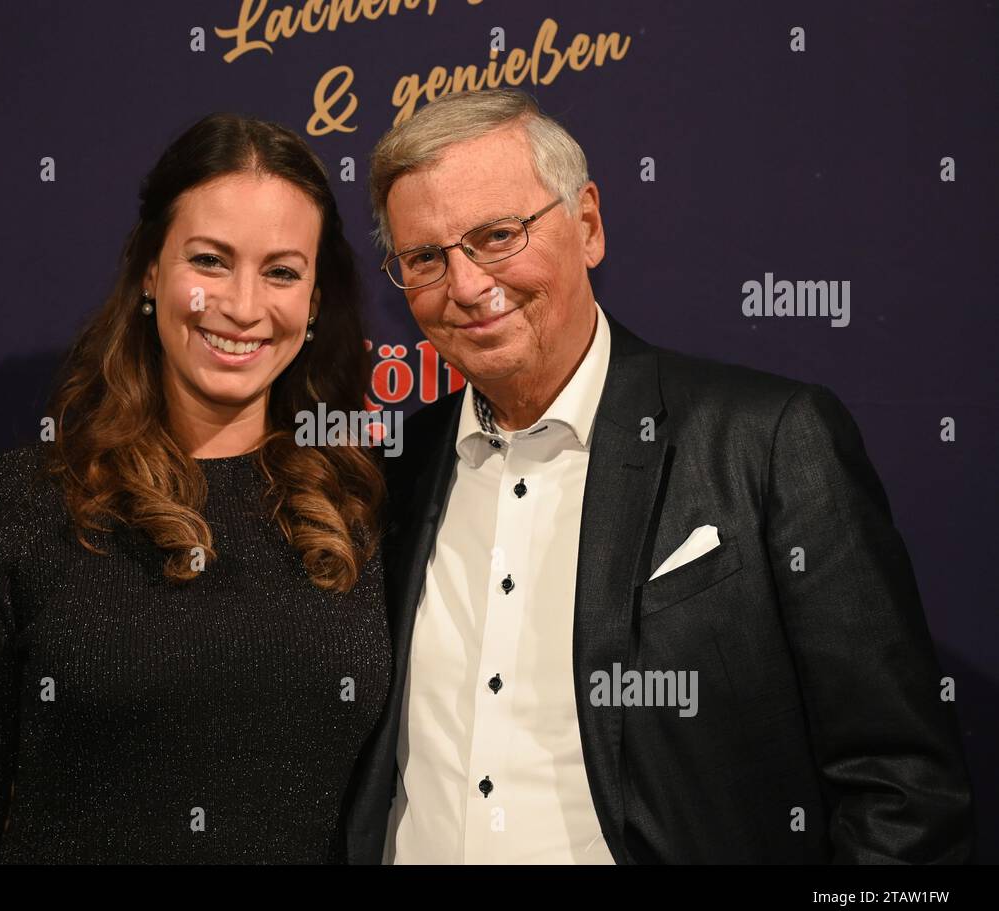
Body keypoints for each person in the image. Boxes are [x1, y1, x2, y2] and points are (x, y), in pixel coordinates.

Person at [341, 88, 974, 864]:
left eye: (498, 236)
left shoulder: (768, 441)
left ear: (588, 224)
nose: (467, 285)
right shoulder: (390, 473)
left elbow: (903, 789)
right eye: (426, 258)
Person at [0, 112, 391, 864]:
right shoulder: (23, 505)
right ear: (150, 273)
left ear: (316, 301)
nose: (244, 306)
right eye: (211, 261)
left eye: (282, 271)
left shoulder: (369, 506)